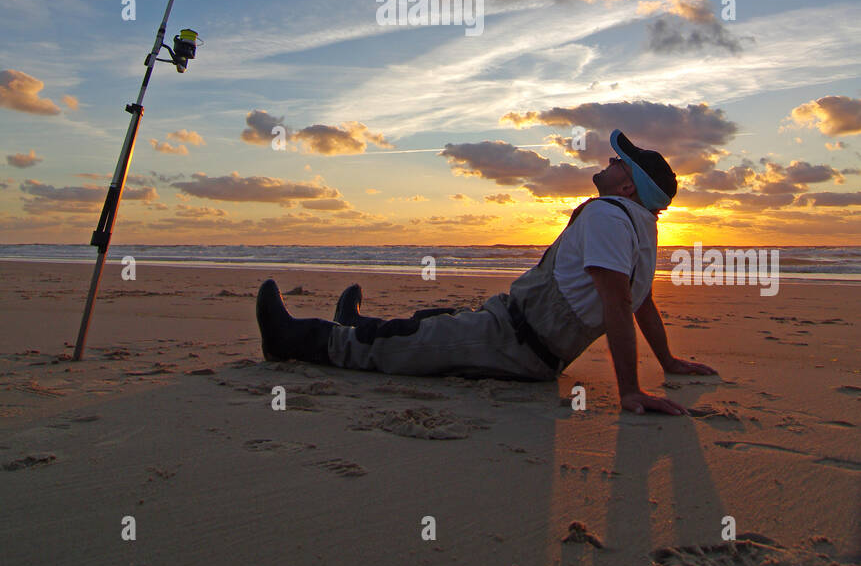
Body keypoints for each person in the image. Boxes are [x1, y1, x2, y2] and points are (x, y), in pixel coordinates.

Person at [255, 129, 717, 414]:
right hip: (517, 332)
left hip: (514, 344)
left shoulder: (608, 216)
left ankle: (294, 340)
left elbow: (619, 303)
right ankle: (359, 323)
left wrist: (630, 391)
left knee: (407, 347)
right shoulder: (642, 232)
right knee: (437, 318)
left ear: (627, 184)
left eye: (620, 161)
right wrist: (669, 362)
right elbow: (643, 305)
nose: (611, 159)